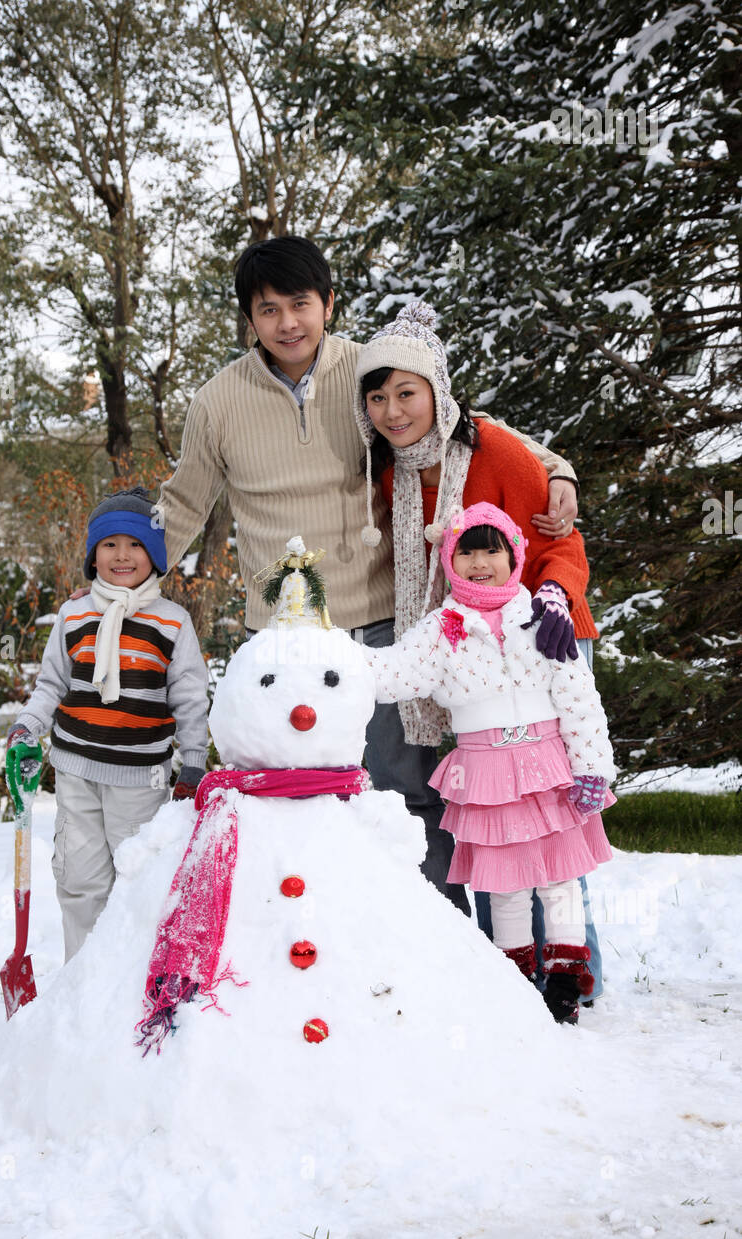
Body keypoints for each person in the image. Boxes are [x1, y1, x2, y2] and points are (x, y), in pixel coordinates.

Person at [156, 235, 579, 916]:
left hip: (384, 622)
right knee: (297, 804)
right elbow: (182, 501)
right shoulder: (217, 402)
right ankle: (325, 953)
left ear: (328, 302)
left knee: (403, 792)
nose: (288, 323)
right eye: (269, 310)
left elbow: (457, 422)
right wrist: (120, 577)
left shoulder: (369, 372)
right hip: (285, 638)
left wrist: (555, 468)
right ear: (249, 318)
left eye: (301, 304)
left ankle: (443, 940)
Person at [354, 299, 605, 1001]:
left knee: (557, 818)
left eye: (407, 392)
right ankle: (507, 972)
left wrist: (553, 596)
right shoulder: (393, 470)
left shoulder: (493, 449)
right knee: (501, 823)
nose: (394, 410)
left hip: (543, 632)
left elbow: (559, 541)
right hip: (464, 650)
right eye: (378, 397)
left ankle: (580, 974)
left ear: (438, 388)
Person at [361, 503, 615, 1024]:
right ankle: (516, 979)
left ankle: (566, 980)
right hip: (487, 773)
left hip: (551, 767)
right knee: (506, 884)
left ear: (514, 556)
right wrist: (334, 660)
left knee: (561, 880)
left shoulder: (544, 617)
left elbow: (579, 698)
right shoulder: (442, 628)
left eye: (491, 550)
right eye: (467, 552)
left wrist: (593, 767)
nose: (480, 562)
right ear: (451, 562)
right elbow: (394, 673)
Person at [4, 488, 209, 962]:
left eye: (135, 544)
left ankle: (129, 984)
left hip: (142, 779)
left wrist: (194, 762)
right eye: (109, 544)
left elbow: (190, 698)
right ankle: (81, 982)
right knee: (79, 879)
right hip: (76, 771)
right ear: (92, 555)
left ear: (154, 555)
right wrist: (27, 727)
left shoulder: (172, 623)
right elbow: (51, 682)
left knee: (139, 880)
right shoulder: (73, 615)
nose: (121, 555)